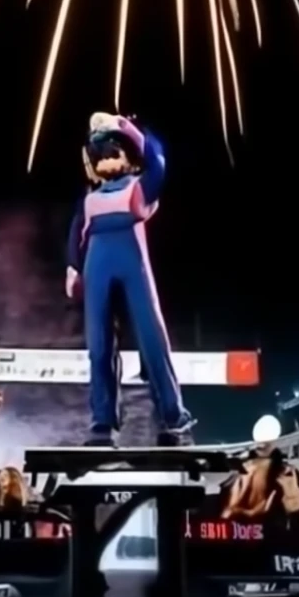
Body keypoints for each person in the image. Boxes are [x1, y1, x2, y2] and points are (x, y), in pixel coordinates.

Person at [65, 112, 194, 447]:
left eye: (113, 152)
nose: (107, 159)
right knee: (99, 345)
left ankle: (173, 415)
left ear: (126, 156)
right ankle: (102, 421)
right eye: (100, 155)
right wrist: (73, 267)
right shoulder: (90, 199)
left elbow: (158, 159)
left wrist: (125, 126)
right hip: (97, 266)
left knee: (152, 338)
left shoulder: (139, 189)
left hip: (133, 264)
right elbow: (76, 232)